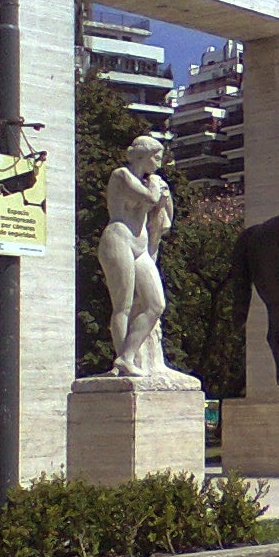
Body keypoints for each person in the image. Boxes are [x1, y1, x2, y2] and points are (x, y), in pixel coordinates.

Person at [98, 135, 174, 377]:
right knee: (123, 305)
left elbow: (166, 218)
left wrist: (166, 197)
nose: (159, 163)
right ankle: (123, 362)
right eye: (157, 157)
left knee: (156, 304)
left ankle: (126, 356)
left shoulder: (149, 181)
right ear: (144, 155)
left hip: (140, 246)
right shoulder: (121, 175)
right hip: (118, 238)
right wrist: (157, 188)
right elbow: (150, 198)